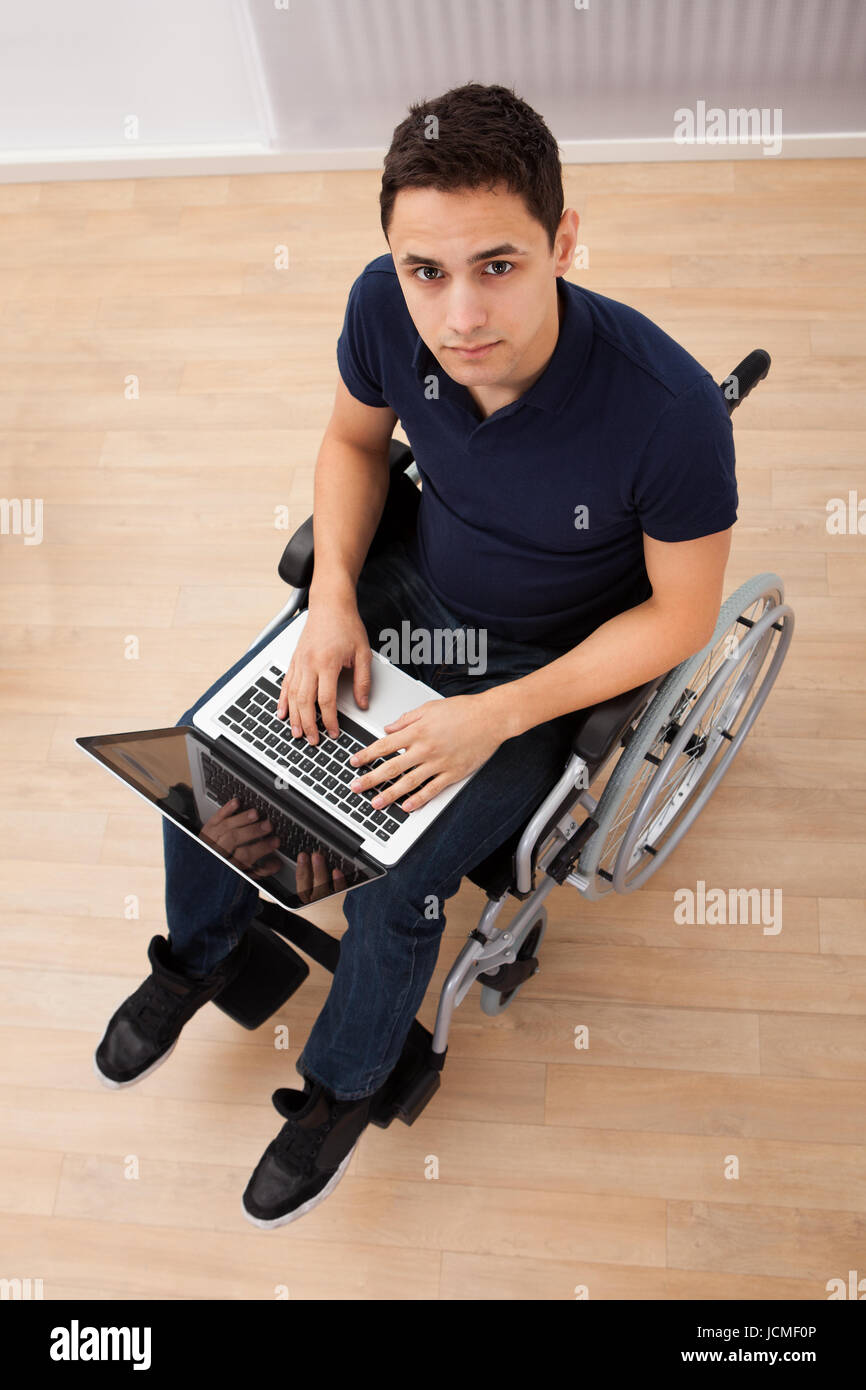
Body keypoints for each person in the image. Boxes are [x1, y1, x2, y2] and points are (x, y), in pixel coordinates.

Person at [94, 81, 738, 1230]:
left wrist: (495, 715)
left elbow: (681, 620)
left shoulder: (669, 410)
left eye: (497, 265)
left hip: (543, 662)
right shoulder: (381, 308)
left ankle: (341, 1088)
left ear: (563, 241)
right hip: (404, 581)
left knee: (397, 884)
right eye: (423, 271)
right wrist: (334, 593)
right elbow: (352, 439)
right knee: (208, 757)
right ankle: (206, 952)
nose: (456, 315)